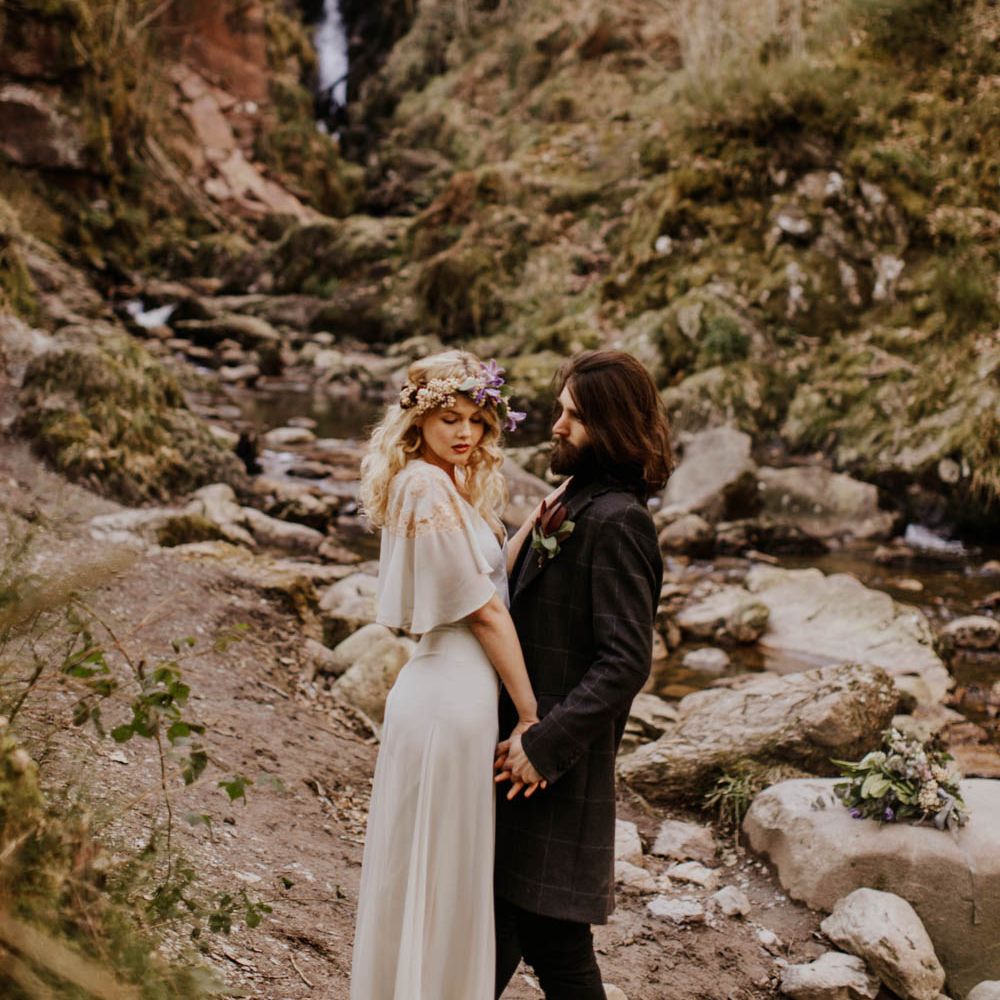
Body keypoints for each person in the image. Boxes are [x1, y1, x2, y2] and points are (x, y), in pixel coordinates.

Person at [351, 350, 540, 1000]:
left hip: (453, 696)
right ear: (419, 420)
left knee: (443, 874)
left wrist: (533, 531)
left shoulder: (447, 483)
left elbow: (487, 575)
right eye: (449, 418)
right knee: (440, 874)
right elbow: (485, 611)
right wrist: (532, 714)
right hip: (447, 701)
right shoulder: (425, 484)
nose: (466, 433)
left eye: (477, 420)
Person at [493, 350, 674, 999]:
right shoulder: (575, 498)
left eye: (573, 415)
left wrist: (543, 748)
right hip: (518, 764)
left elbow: (626, 661)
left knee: (552, 942)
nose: (557, 425)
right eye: (559, 410)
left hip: (551, 773)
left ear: (612, 426)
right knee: (509, 927)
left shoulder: (621, 521)